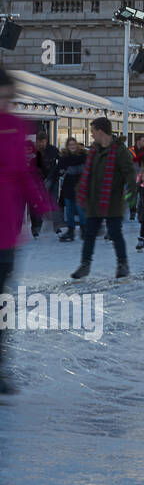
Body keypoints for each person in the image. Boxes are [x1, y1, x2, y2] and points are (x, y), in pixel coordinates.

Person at [0, 70, 56, 393]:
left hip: (6, 230)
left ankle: (0, 366)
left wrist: (44, 206)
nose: (5, 102)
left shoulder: (19, 127)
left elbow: (25, 174)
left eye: (8, 95)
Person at [71, 117, 137, 280]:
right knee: (90, 233)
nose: (92, 135)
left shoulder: (120, 151)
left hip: (112, 200)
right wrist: (81, 190)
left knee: (115, 233)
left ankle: (123, 264)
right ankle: (85, 265)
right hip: (95, 200)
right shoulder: (94, 150)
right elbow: (88, 173)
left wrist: (132, 195)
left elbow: (129, 174)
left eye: (93, 131)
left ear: (100, 131)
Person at [56, 137, 88, 241]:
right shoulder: (64, 157)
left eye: (73, 144)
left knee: (80, 209)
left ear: (77, 145)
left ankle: (84, 230)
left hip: (80, 185)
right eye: (70, 145)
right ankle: (71, 230)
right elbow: (58, 169)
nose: (72, 147)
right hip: (68, 186)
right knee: (69, 209)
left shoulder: (83, 156)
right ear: (67, 146)